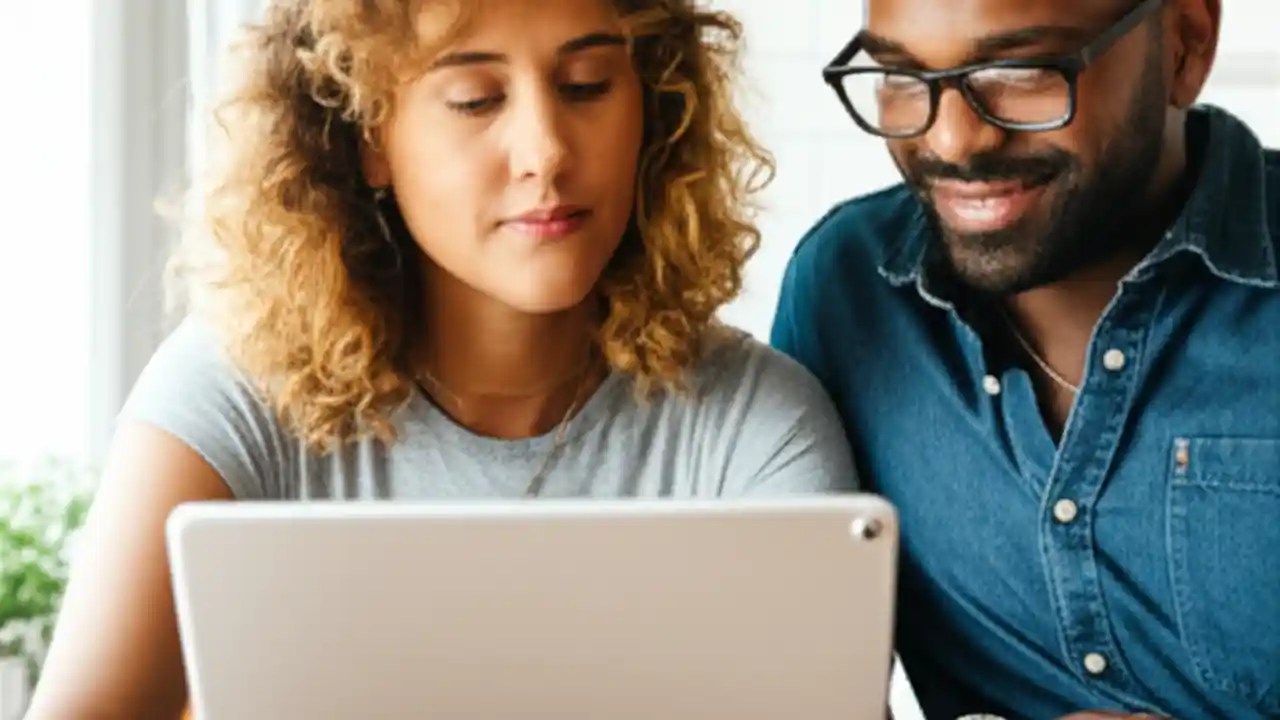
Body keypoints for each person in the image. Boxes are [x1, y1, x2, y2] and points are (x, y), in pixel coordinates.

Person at [27, 0, 856, 716]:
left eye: (586, 87)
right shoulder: (230, 393)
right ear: (367, 138)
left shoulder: (754, 424)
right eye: (474, 99)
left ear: (655, 107)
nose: (546, 151)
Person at [773, 0, 1278, 717]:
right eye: (902, 76)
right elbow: (795, 678)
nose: (954, 140)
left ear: (1185, 44)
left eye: (1019, 70)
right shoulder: (846, 292)